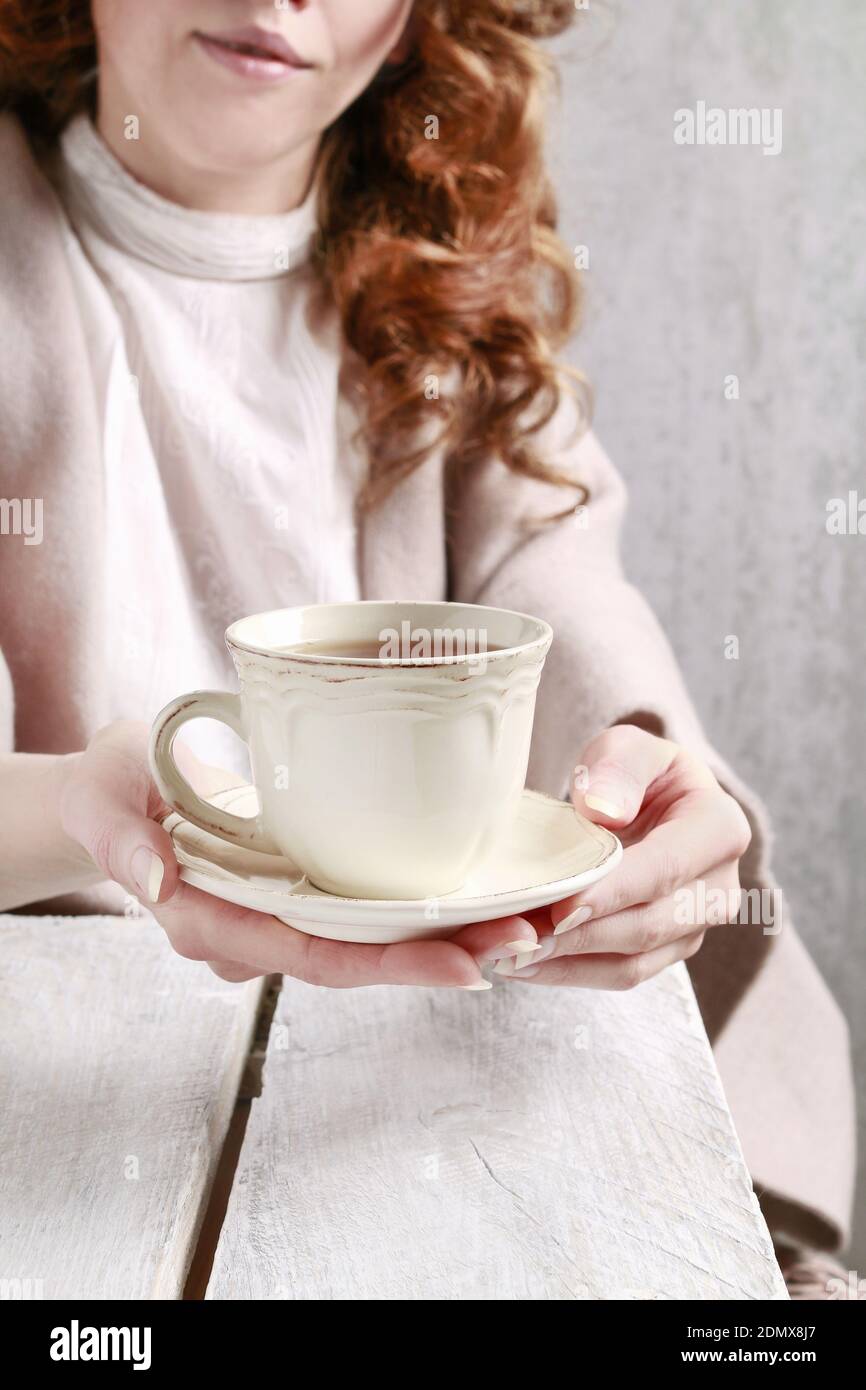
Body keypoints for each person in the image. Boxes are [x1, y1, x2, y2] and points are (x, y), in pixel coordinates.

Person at [0, 0, 855, 1293]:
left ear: (412, 24)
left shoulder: (446, 283)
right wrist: (77, 805)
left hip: (436, 1109)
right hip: (71, 1128)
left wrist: (640, 773)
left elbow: (556, 578)